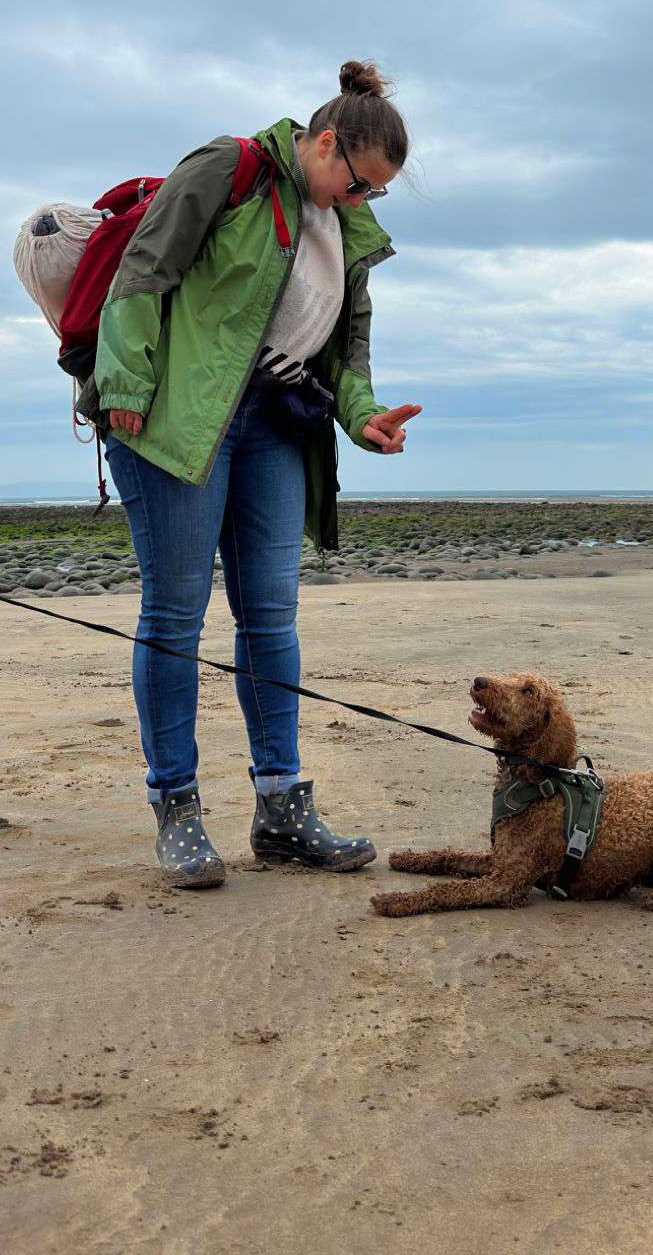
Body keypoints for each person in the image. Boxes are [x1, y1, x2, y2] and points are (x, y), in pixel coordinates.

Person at [89, 61, 421, 888]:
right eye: (359, 183)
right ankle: (178, 812)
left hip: (276, 425)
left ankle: (281, 809)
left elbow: (343, 351)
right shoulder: (229, 169)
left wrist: (364, 417)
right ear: (324, 143)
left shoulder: (346, 232)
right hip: (175, 419)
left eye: (376, 195)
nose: (360, 201)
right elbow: (144, 268)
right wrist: (124, 383)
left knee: (270, 616)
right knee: (174, 614)